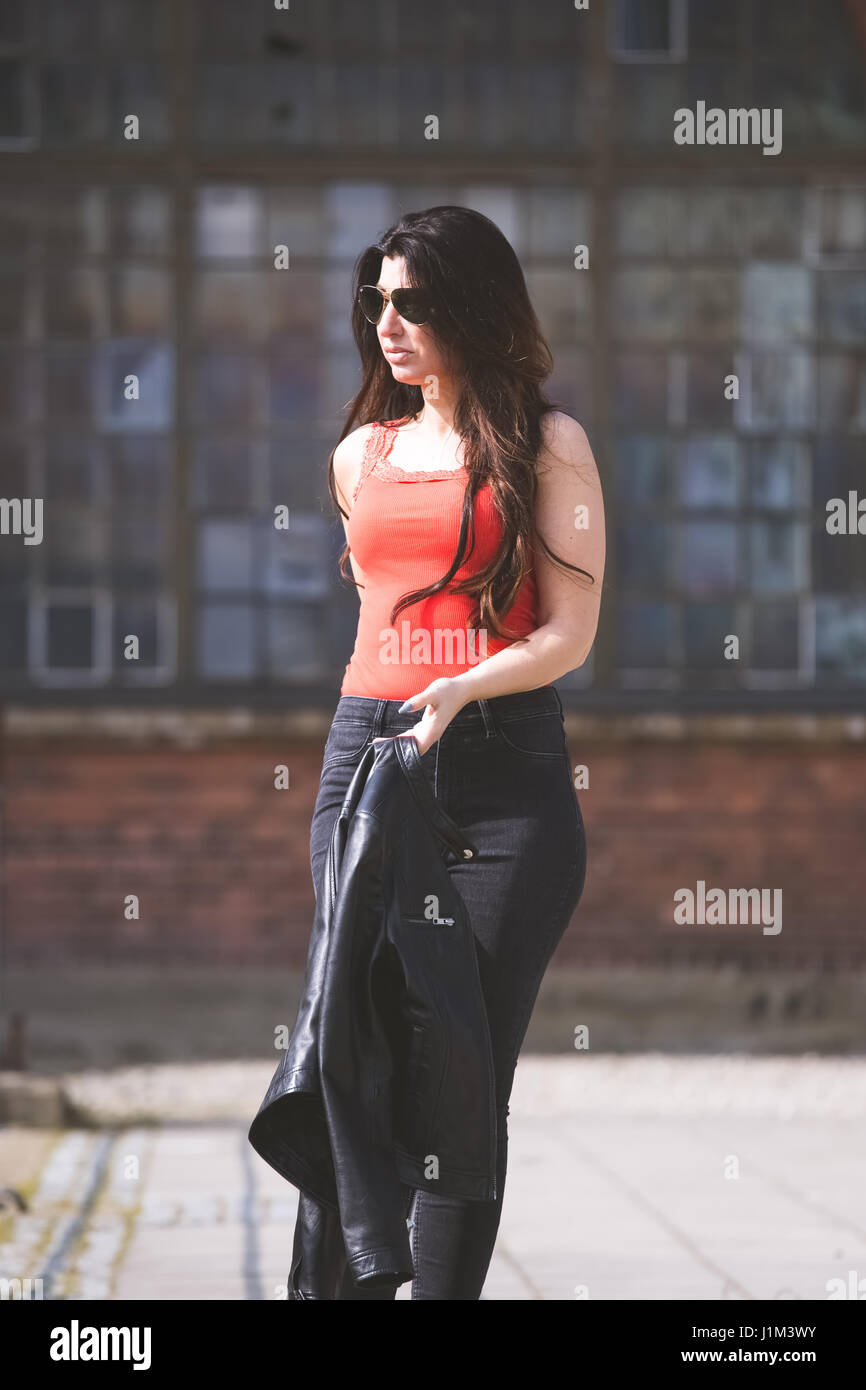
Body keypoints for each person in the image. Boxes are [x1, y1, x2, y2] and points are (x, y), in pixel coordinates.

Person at [311, 204, 605, 1299]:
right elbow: (374, 615)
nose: (389, 321)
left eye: (416, 302)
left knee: (464, 1073)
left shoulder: (547, 443)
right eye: (378, 300)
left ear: (473, 307)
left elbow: (567, 633)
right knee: (360, 1048)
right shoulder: (360, 455)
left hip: (504, 786)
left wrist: (458, 686)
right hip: (367, 767)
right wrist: (405, 709)